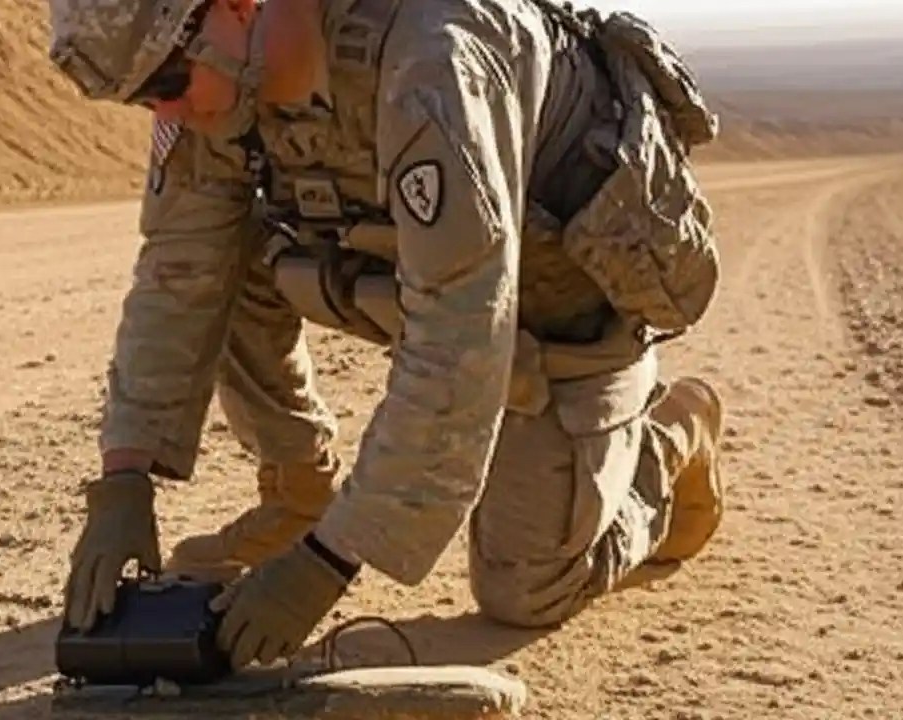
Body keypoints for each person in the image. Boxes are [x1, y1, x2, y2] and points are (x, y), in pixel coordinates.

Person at [50, 0, 727, 670]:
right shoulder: (222, 75)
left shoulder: (436, 62)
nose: (168, 112)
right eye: (145, 99)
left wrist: (329, 561)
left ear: (238, 6)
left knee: (526, 589)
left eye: (170, 80)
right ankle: (297, 493)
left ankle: (667, 440)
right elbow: (180, 269)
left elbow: (457, 338)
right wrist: (125, 476)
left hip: (563, 302)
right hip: (420, 272)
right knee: (228, 257)